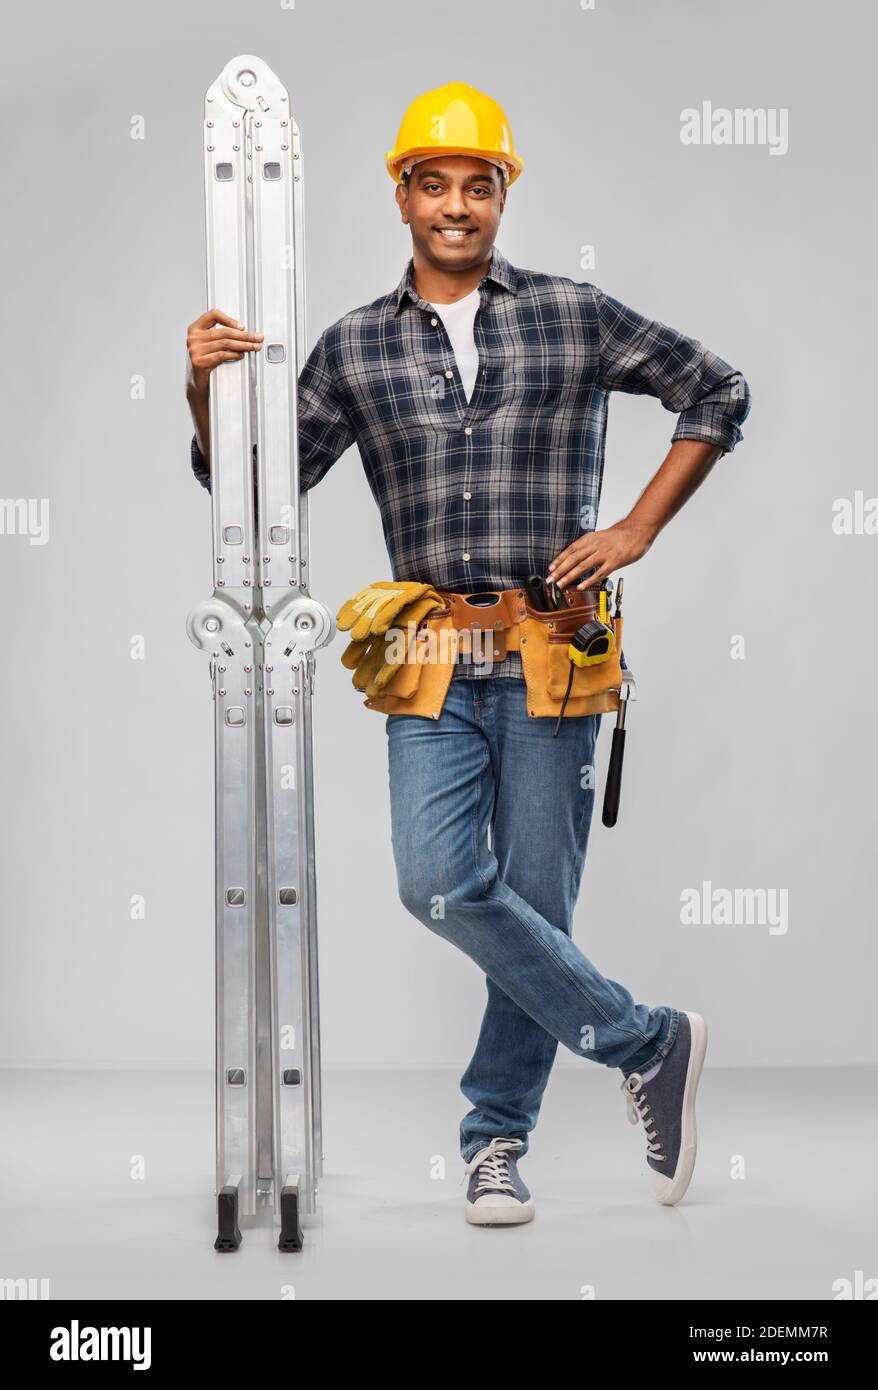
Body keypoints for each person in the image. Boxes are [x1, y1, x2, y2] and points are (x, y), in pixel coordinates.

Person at [185, 82, 750, 1227]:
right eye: (433, 183)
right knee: (438, 881)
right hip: (426, 661)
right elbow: (257, 485)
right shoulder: (353, 345)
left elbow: (715, 389)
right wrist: (205, 392)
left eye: (476, 184)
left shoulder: (570, 313)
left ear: (502, 195)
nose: (455, 205)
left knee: (534, 900)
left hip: (552, 654)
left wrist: (636, 528)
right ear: (400, 195)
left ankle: (493, 1143)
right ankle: (647, 1042)